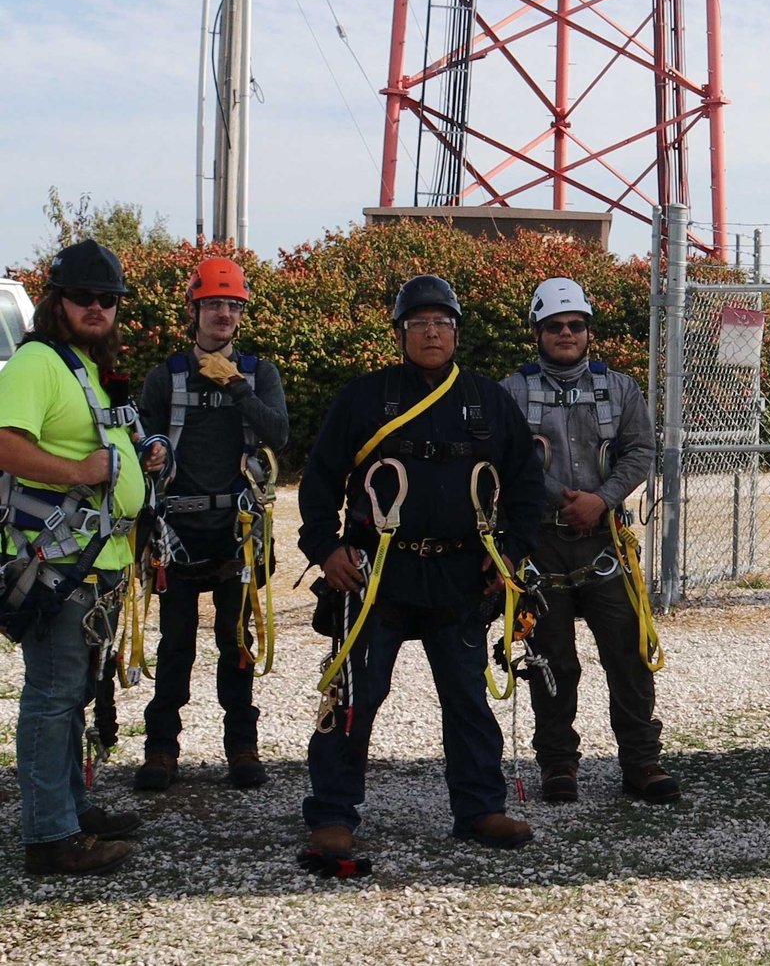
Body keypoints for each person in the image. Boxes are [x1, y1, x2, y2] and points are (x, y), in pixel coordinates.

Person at [296, 274, 545, 870]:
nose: (431, 333)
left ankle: (480, 806)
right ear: (401, 332)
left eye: (442, 323)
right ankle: (332, 814)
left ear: (456, 332)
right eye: (419, 324)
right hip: (374, 573)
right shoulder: (364, 397)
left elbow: (527, 486)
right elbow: (320, 479)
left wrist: (510, 551)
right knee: (355, 695)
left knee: (467, 697)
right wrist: (325, 549)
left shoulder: (490, 400)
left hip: (460, 573)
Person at [0, 241, 148, 874]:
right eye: (83, 296)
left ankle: (71, 805)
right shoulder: (36, 362)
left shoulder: (79, 365)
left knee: (74, 693)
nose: (96, 307)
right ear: (56, 301)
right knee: (55, 695)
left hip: (93, 562)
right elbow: (5, 445)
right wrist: (81, 470)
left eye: (107, 299)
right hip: (58, 564)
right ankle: (49, 835)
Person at [500, 277, 674, 804]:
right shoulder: (511, 391)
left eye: (576, 324)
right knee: (552, 658)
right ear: (538, 331)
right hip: (541, 545)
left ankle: (642, 762)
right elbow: (508, 462)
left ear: (589, 330)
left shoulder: (619, 389)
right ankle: (558, 765)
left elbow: (641, 450)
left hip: (606, 542)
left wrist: (601, 500)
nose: (566, 333)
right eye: (555, 326)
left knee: (628, 653)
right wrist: (561, 501)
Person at [133, 258, 290, 791]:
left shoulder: (258, 373)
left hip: (235, 530)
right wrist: (152, 450)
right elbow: (145, 436)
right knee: (175, 643)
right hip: (176, 531)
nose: (223, 313)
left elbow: (280, 434)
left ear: (241, 313)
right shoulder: (166, 376)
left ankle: (242, 748)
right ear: (194, 309)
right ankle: (160, 750)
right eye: (214, 304)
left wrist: (240, 389)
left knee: (235, 640)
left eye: (232, 305)